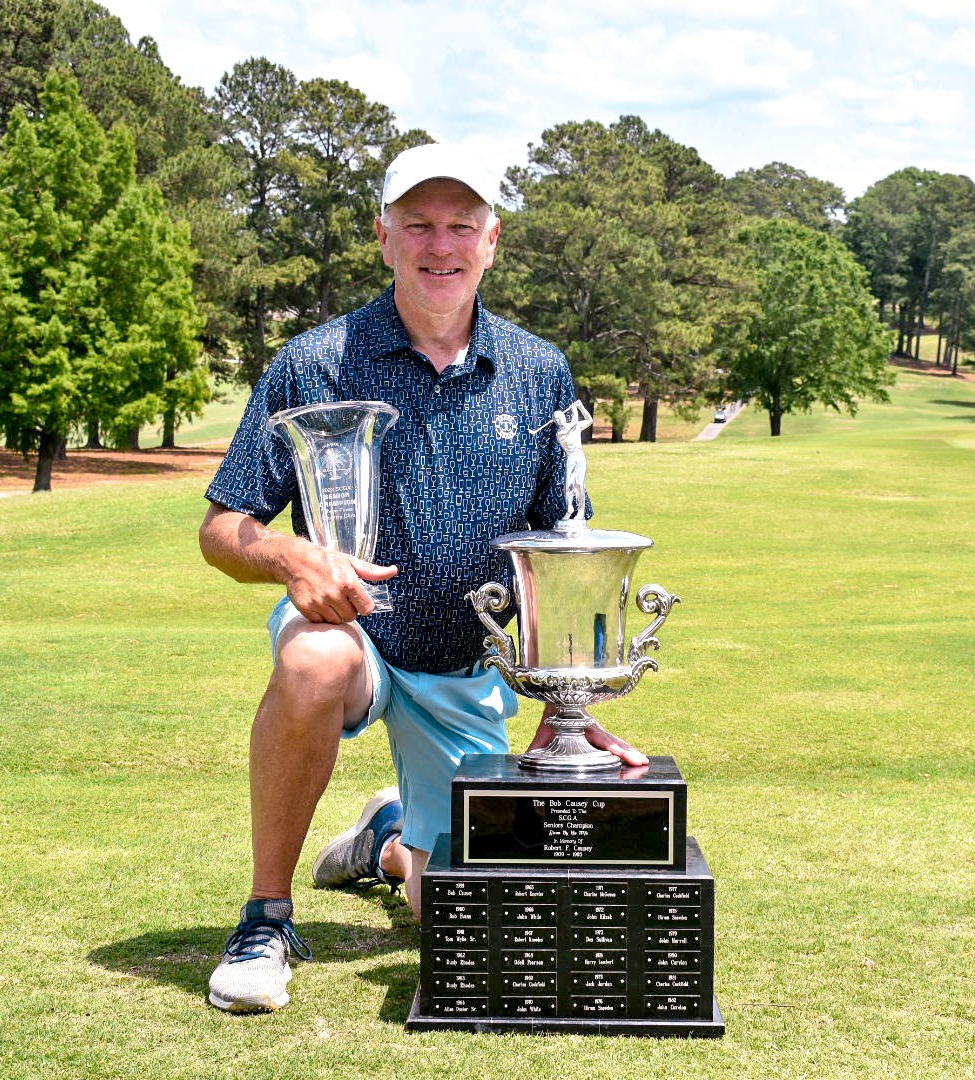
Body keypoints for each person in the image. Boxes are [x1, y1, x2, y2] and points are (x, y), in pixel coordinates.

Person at [197, 143, 647, 1014]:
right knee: (314, 662)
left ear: (492, 240)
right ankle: (265, 918)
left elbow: (562, 546)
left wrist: (570, 710)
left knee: (451, 916)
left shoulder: (538, 368)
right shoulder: (314, 362)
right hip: (355, 635)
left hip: (464, 669)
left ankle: (390, 838)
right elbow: (222, 527)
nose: (440, 244)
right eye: (417, 225)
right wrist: (292, 559)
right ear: (384, 238)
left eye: (460, 225)